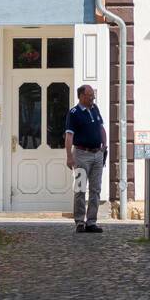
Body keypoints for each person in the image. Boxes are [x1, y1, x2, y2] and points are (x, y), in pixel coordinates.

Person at [64, 84, 107, 233]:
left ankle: (92, 221)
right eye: (90, 95)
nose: (92, 97)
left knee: (96, 189)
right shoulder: (74, 113)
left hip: (97, 154)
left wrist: (104, 145)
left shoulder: (95, 109)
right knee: (81, 188)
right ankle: (80, 221)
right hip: (81, 154)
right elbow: (69, 135)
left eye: (93, 95)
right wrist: (69, 156)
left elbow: (101, 127)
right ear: (81, 96)